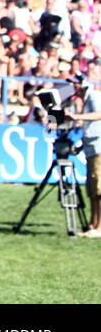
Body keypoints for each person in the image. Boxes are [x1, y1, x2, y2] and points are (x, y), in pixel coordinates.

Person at [67, 79, 101, 237]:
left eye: (77, 83)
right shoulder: (88, 99)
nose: (74, 87)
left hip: (98, 148)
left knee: (99, 190)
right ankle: (93, 224)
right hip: (91, 148)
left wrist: (77, 116)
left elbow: (100, 114)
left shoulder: (94, 96)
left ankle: (99, 227)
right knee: (93, 191)